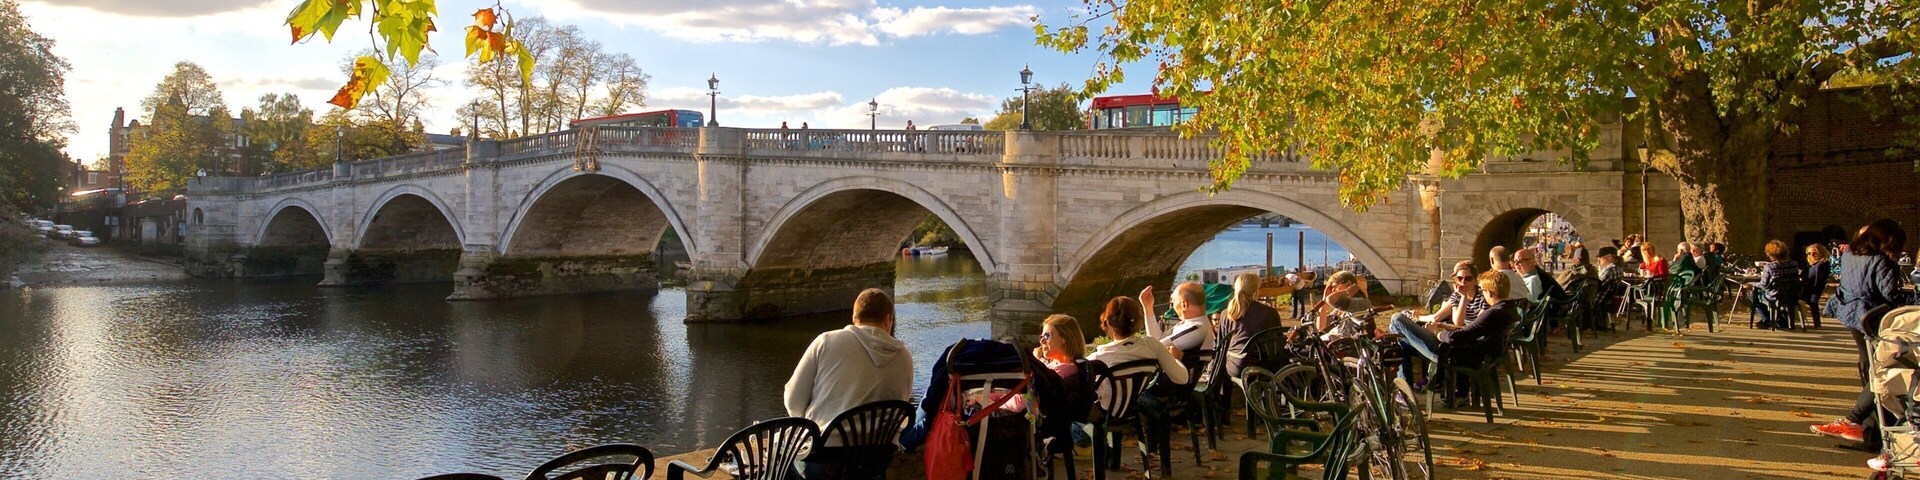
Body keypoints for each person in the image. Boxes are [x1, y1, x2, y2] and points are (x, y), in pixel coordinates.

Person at [1812, 219, 1919, 455]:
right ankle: (1858, 423)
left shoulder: (1850, 253)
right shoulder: (1882, 261)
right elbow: (1890, 294)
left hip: (1851, 313)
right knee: (1884, 370)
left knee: (1871, 366)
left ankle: (1866, 431)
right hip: (1874, 316)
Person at [783, 288, 914, 435]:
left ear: (854, 317)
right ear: (888, 320)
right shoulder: (904, 356)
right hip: (879, 453)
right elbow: (901, 405)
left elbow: (793, 401)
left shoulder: (826, 342)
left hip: (825, 451)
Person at [1389, 269, 1521, 388]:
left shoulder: (1492, 313)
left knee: (1397, 318)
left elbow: (1457, 337)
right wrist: (1443, 327)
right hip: (1475, 352)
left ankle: (1410, 388)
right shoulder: (1507, 309)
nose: (1482, 293)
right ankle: (1405, 390)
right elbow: (1469, 329)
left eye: (1483, 290)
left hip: (1452, 353)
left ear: (1490, 293)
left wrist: (1436, 332)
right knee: (1402, 343)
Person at [1086, 296, 1189, 410]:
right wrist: (1176, 359)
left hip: (1105, 415)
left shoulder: (1099, 357)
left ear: (1108, 322)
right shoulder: (1151, 345)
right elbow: (1182, 378)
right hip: (1133, 410)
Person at [1218, 273, 1281, 377]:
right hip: (1262, 366)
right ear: (1257, 290)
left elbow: (1222, 344)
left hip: (1235, 366)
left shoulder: (1227, 314)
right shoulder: (1269, 312)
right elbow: (1277, 341)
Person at [1138, 282, 1217, 359]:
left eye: (1173, 303)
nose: (1173, 307)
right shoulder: (1194, 325)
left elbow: (1153, 347)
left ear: (1184, 305)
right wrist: (1148, 308)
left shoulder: (1196, 330)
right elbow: (1156, 339)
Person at [1751, 240, 1804, 329]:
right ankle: (1780, 319)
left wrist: (1752, 284)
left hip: (1775, 295)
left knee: (1753, 295)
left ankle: (1767, 319)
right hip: (1792, 294)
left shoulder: (1770, 267)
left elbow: (1764, 284)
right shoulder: (1794, 264)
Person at [1805, 243, 1834, 328]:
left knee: (1813, 303)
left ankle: (1817, 323)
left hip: (1813, 288)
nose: (1812, 255)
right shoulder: (1813, 264)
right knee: (1812, 304)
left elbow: (1819, 280)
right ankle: (1816, 323)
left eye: (1814, 253)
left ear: (1821, 253)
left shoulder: (1821, 264)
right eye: (1809, 253)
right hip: (1810, 287)